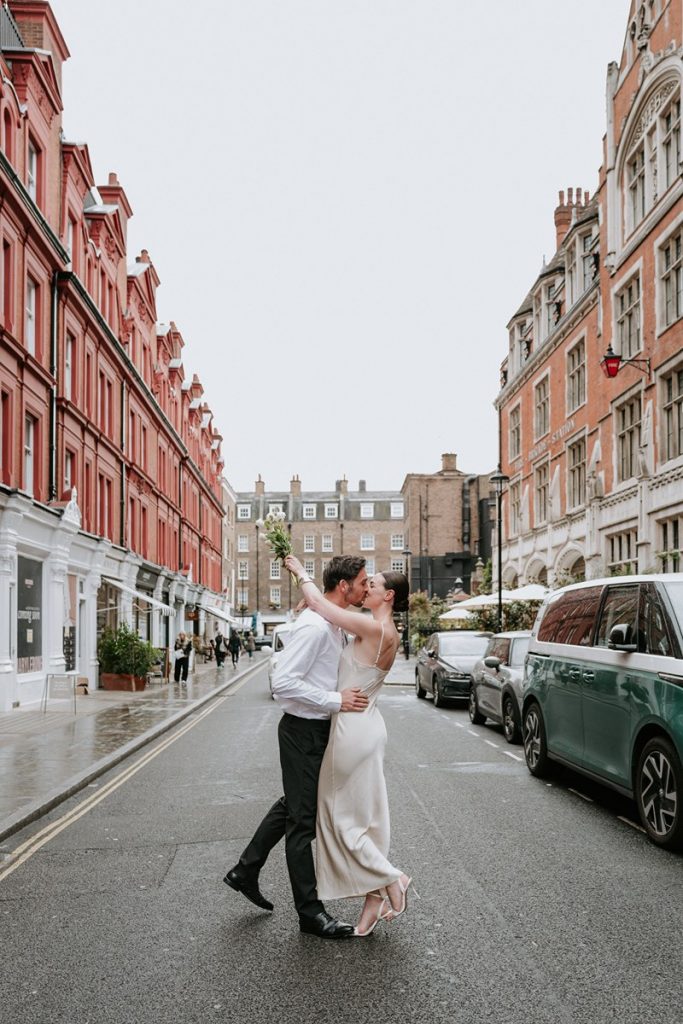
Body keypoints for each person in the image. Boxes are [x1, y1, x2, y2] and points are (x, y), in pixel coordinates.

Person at [224, 556, 370, 940]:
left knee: (295, 804)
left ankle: (244, 870)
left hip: (316, 730)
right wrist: (336, 700)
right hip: (303, 731)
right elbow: (283, 684)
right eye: (362, 581)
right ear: (343, 587)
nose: (366, 588)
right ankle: (310, 913)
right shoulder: (315, 628)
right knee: (303, 824)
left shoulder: (331, 623)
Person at [284, 553, 413, 938]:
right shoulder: (384, 631)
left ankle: (392, 878)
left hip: (351, 730)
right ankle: (373, 896)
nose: (364, 588)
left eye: (371, 585)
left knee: (335, 818)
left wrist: (301, 573)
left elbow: (325, 605)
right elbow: (327, 614)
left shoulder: (373, 627)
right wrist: (312, 604)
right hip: (369, 725)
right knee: (363, 816)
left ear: (387, 596)